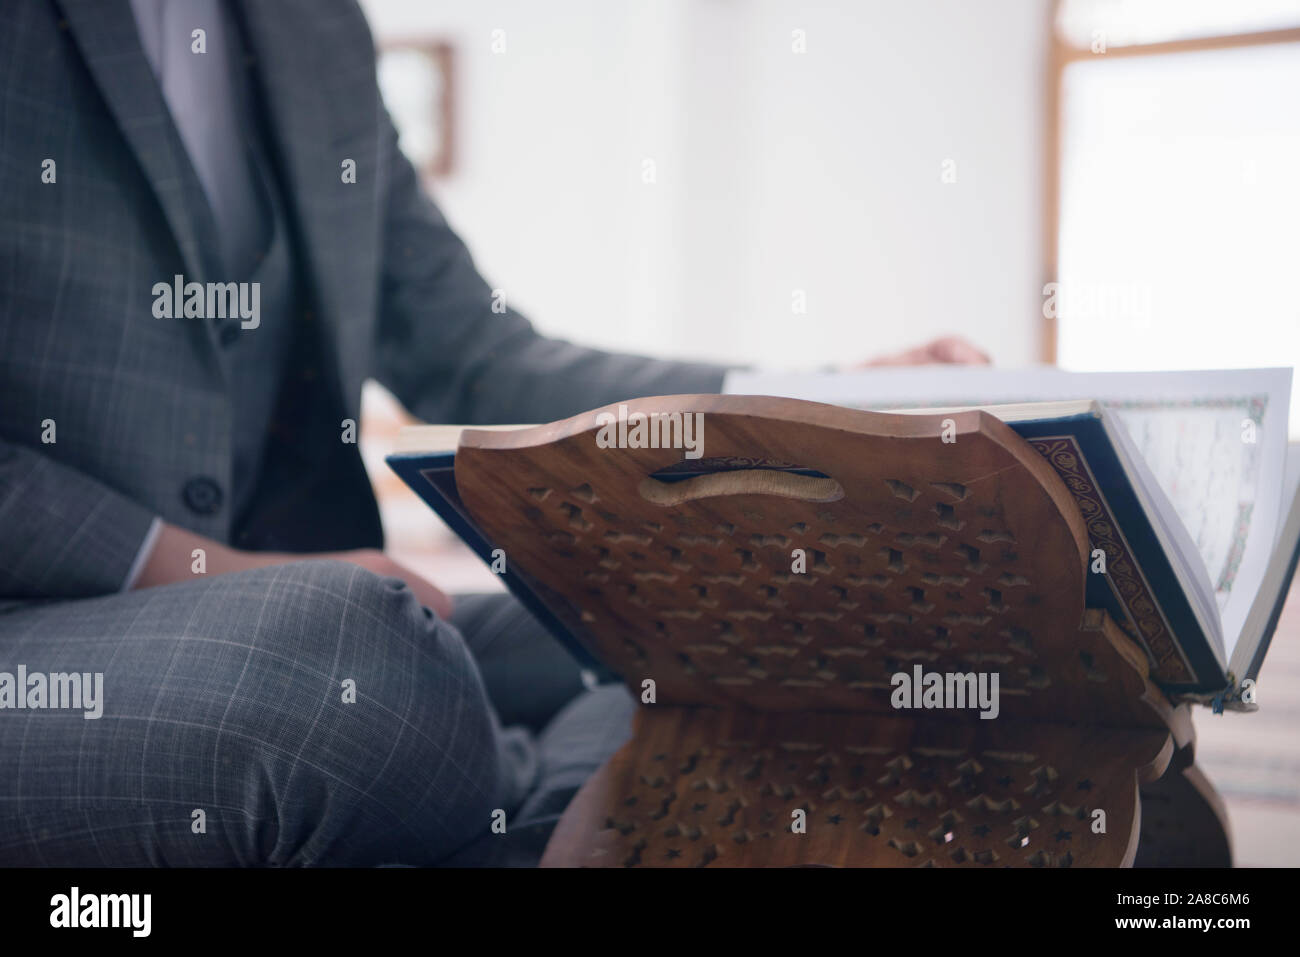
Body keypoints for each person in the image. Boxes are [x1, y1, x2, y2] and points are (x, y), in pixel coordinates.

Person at [0, 0, 988, 866]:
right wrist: (211, 567)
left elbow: (477, 353)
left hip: (300, 591)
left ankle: (523, 827)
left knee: (675, 627)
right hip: (42, 618)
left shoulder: (315, 26)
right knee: (353, 655)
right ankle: (531, 798)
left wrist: (807, 401)